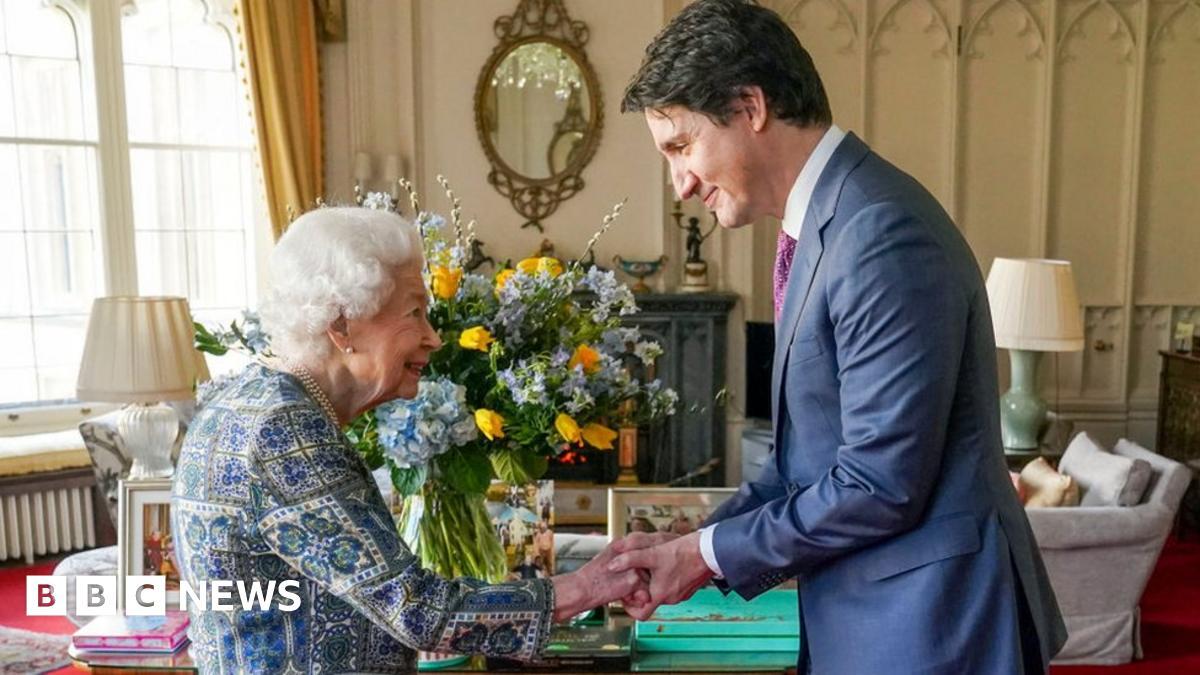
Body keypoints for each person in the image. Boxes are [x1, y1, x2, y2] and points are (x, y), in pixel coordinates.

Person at [607, 2, 1067, 673]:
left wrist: (703, 556)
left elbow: (880, 484)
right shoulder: (829, 222)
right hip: (880, 618)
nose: (680, 184)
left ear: (750, 106)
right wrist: (697, 542)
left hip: (934, 628)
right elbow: (802, 467)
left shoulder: (880, 231)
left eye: (681, 147)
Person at [171, 206, 646, 674]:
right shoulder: (285, 430)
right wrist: (585, 587)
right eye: (415, 313)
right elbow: (415, 608)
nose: (433, 338)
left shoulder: (244, 402)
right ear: (341, 325)